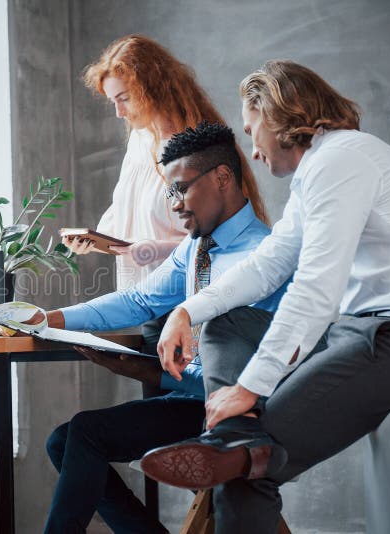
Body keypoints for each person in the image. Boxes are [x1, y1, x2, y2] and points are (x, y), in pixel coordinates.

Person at [143, 60, 390, 533]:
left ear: (278, 116)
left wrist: (249, 388)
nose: (252, 151)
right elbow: (270, 264)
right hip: (363, 334)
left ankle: (231, 440)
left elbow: (317, 288)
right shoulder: (318, 172)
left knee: (244, 466)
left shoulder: (342, 160)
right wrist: (186, 309)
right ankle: (230, 436)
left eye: (251, 129)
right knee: (228, 321)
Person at [42, 122, 288, 534]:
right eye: (170, 192)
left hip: (238, 414)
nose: (174, 205)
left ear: (222, 178)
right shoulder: (196, 248)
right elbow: (139, 300)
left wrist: (146, 372)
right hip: (196, 401)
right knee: (64, 440)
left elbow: (252, 379)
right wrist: (51, 319)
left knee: (84, 433)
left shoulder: (264, 258)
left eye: (181, 189)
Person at [67, 34, 269, 356]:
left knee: (190, 394)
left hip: (188, 300)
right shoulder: (139, 142)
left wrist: (145, 250)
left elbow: (213, 245)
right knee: (166, 398)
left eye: (125, 98)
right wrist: (101, 241)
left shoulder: (193, 153)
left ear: (151, 87)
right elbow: (131, 224)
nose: (119, 113)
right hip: (149, 300)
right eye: (113, 102)